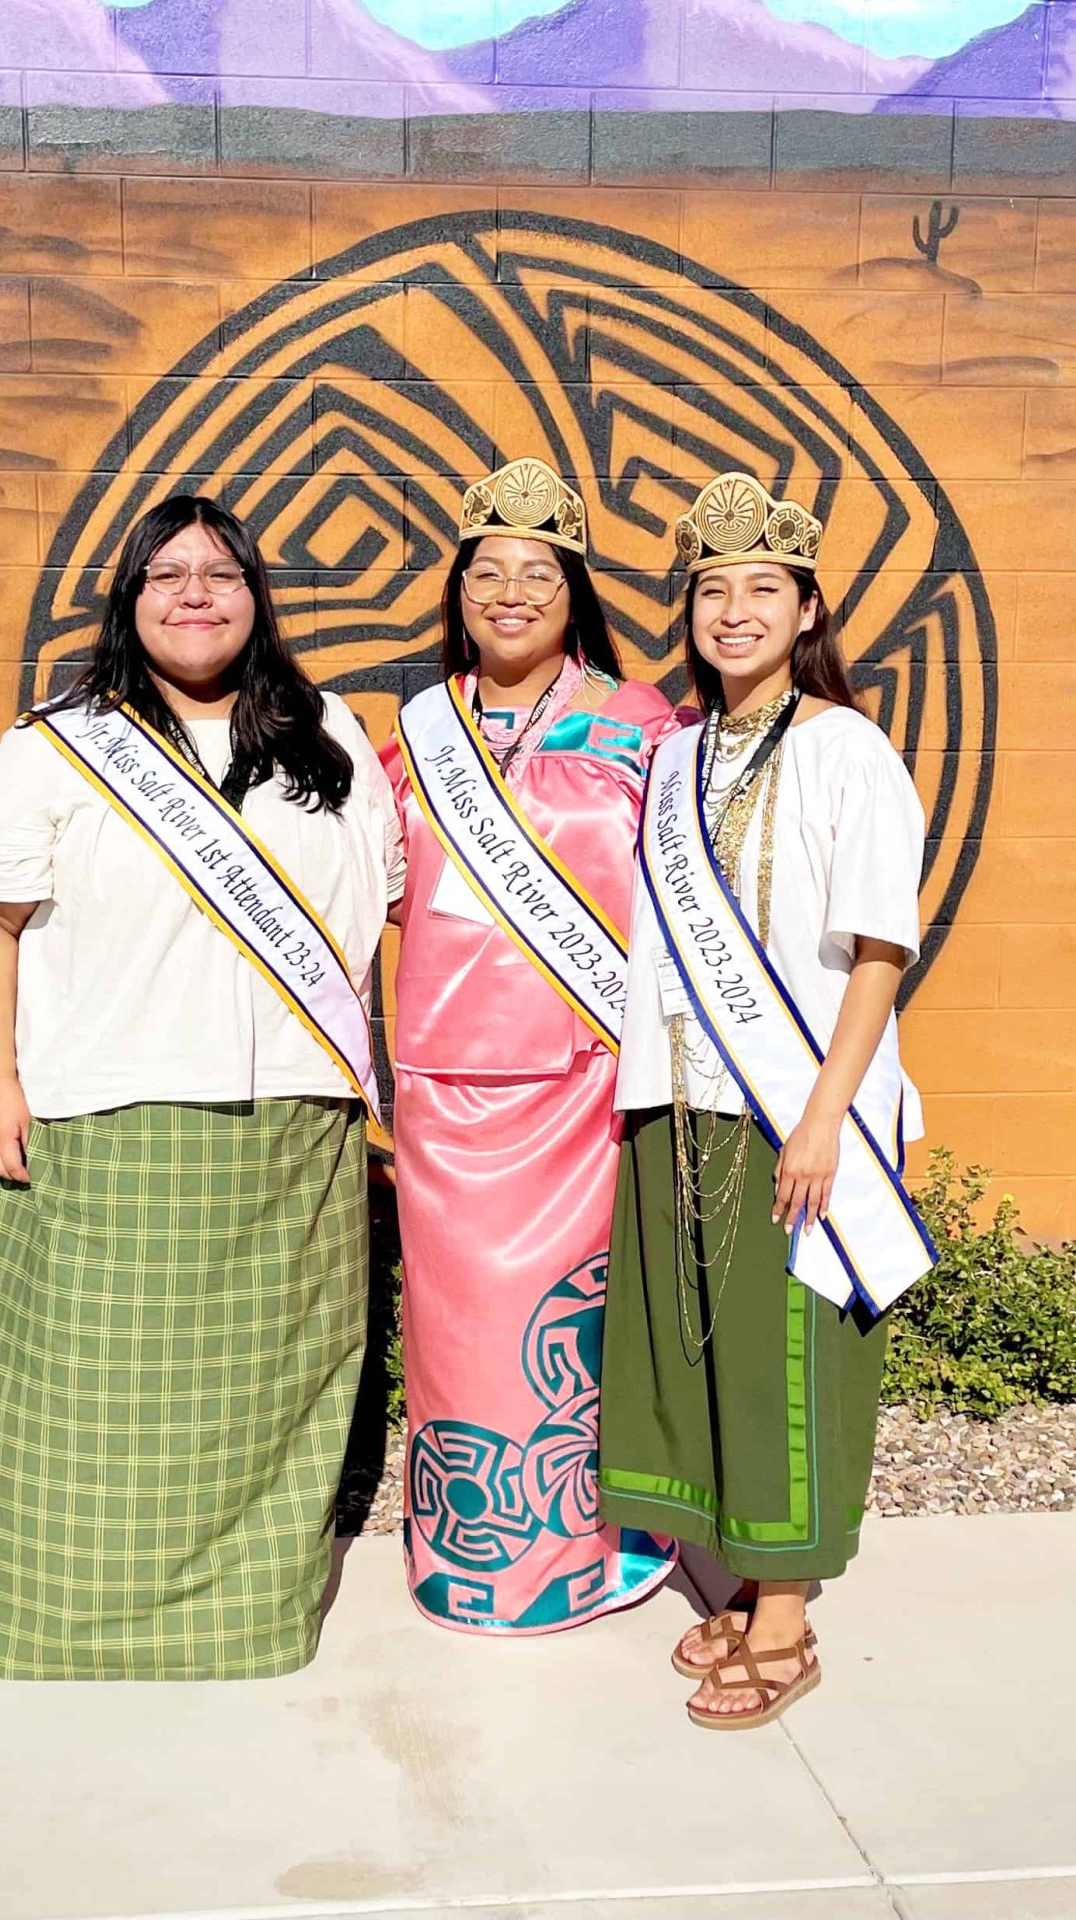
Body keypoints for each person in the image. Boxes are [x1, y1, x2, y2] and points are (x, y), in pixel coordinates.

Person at [0, 494, 402, 1682]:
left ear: (257, 596)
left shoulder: (332, 736)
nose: (195, 594)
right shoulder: (53, 745)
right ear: (129, 599)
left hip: (292, 1126)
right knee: (93, 1396)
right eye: (166, 575)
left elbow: (396, 911)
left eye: (220, 573)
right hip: (114, 1114)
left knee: (262, 1394)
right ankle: (52, 1618)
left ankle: (243, 1617)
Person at [600, 472, 938, 1729]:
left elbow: (877, 949)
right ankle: (742, 1573)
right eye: (711, 591)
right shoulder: (681, 750)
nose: (733, 612)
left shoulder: (848, 748)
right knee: (709, 1348)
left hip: (798, 1107)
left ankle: (785, 1612)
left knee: (794, 1355)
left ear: (807, 610)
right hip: (682, 1103)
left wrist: (823, 1114)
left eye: (761, 591)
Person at [381, 456, 679, 1635]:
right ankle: (466, 1553)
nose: (510, 592)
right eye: (487, 572)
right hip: (447, 1090)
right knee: (458, 1328)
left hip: (583, 1089)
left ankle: (591, 1545)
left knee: (573, 1329)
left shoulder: (641, 723)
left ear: (575, 593)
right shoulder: (414, 732)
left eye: (537, 574)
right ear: (459, 590)